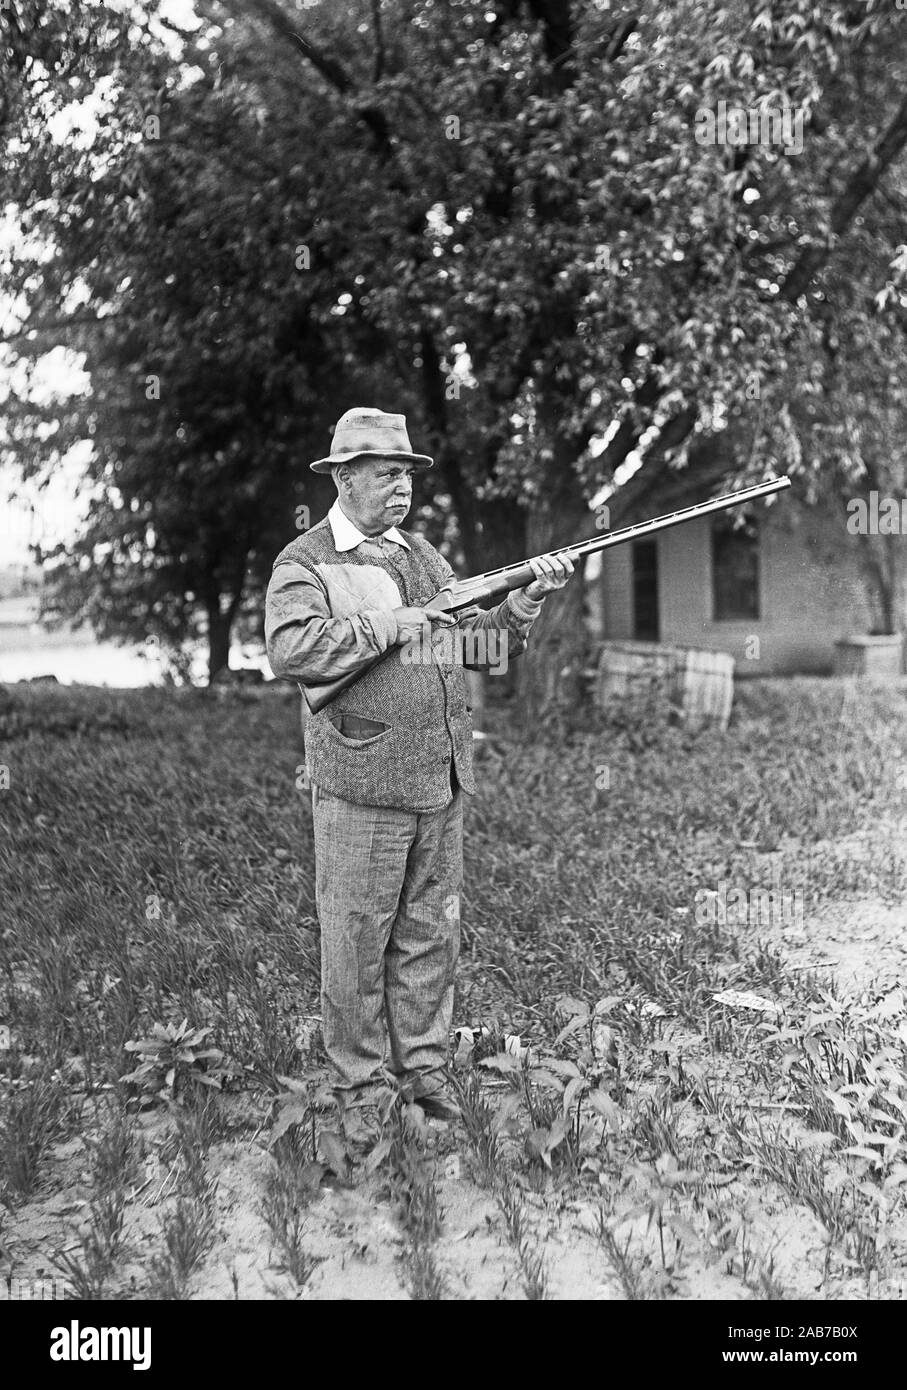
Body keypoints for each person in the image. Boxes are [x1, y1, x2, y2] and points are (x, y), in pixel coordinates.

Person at [265, 407, 573, 1142]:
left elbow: (476, 647)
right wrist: (392, 624)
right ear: (342, 478)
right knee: (357, 935)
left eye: (405, 473)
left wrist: (521, 603)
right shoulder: (305, 562)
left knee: (430, 933)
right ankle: (361, 1083)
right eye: (383, 472)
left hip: (439, 777)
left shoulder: (423, 556)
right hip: (363, 778)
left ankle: (423, 1070)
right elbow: (293, 651)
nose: (400, 486)